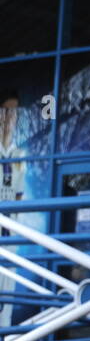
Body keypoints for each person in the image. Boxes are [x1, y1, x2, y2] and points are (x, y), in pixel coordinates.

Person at [0, 93, 24, 328]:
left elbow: (19, 196)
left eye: (14, 112)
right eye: (5, 111)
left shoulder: (18, 155)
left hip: (9, 237)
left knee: (7, 293)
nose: (9, 118)